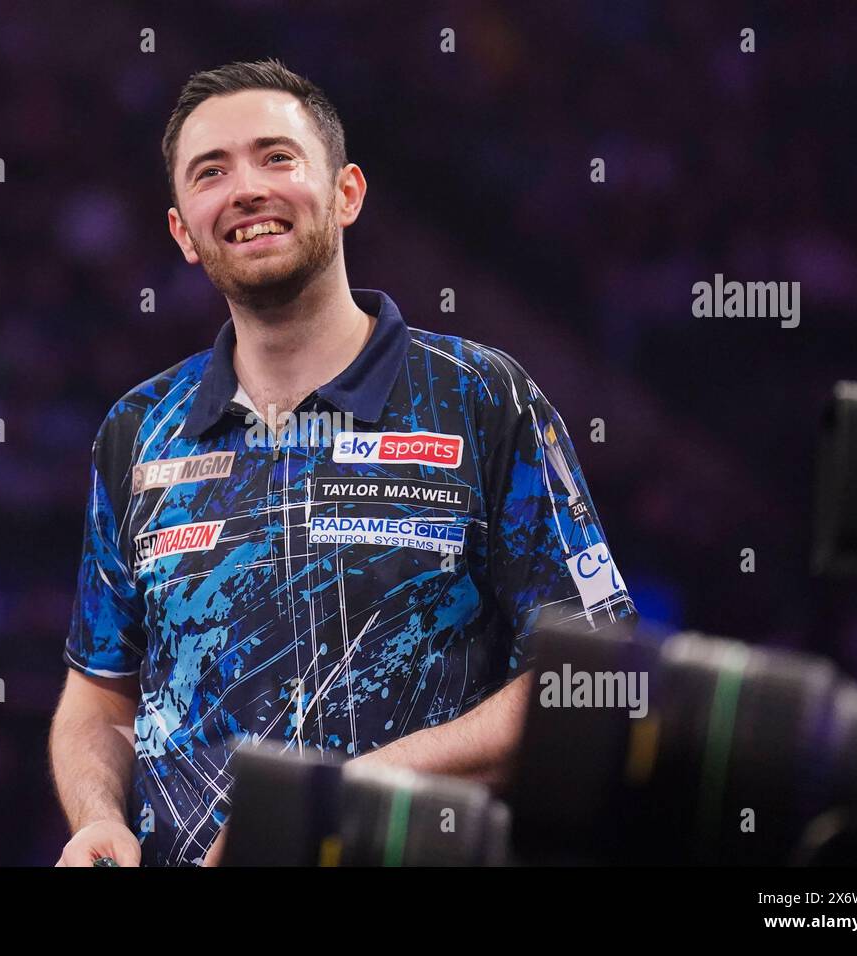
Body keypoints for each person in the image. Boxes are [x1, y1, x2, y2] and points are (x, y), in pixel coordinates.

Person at [50, 58, 635, 867]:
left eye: (276, 157)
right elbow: (100, 690)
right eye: (210, 172)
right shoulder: (137, 431)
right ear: (184, 231)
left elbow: (594, 686)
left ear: (347, 193)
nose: (246, 188)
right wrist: (96, 816)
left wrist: (346, 795)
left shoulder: (482, 400)